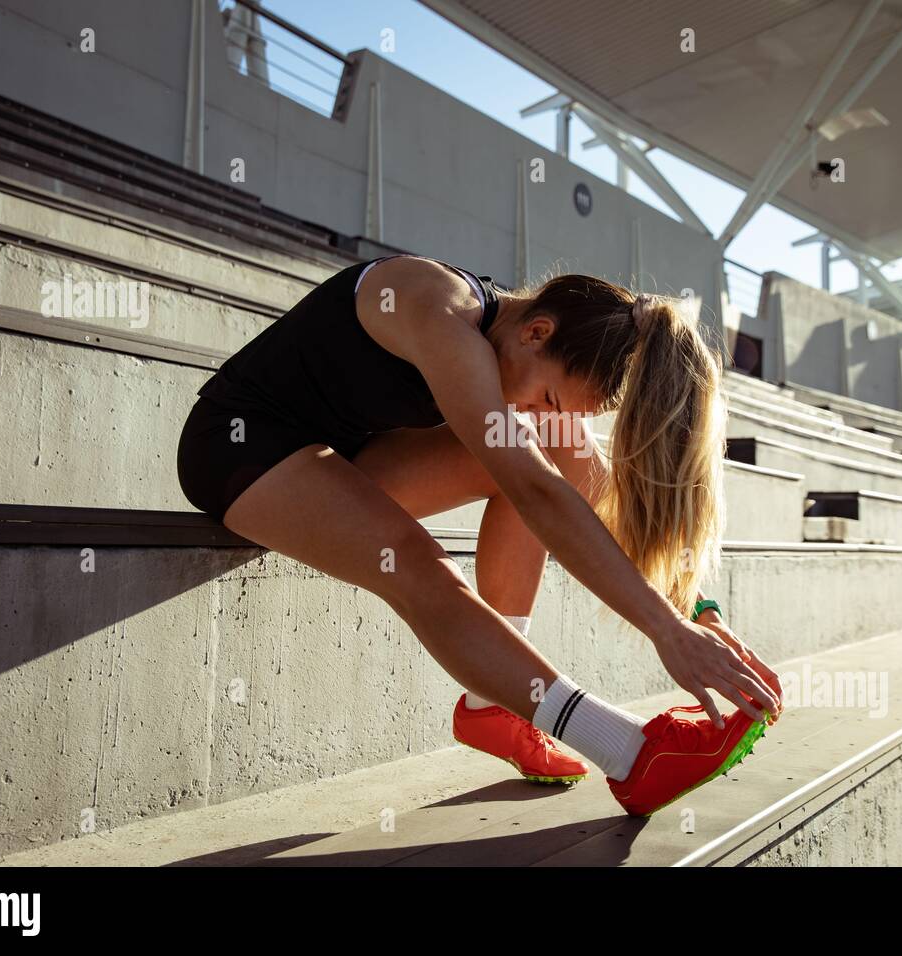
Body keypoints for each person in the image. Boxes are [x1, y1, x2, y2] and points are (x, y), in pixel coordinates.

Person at [176, 253, 784, 816]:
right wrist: (664, 632)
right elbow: (536, 493)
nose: (543, 410)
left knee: (564, 447)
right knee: (415, 561)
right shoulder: (441, 315)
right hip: (241, 449)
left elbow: (590, 490)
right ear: (537, 331)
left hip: (344, 456)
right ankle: (629, 753)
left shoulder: (507, 342)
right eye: (548, 395)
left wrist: (693, 611)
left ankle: (493, 702)